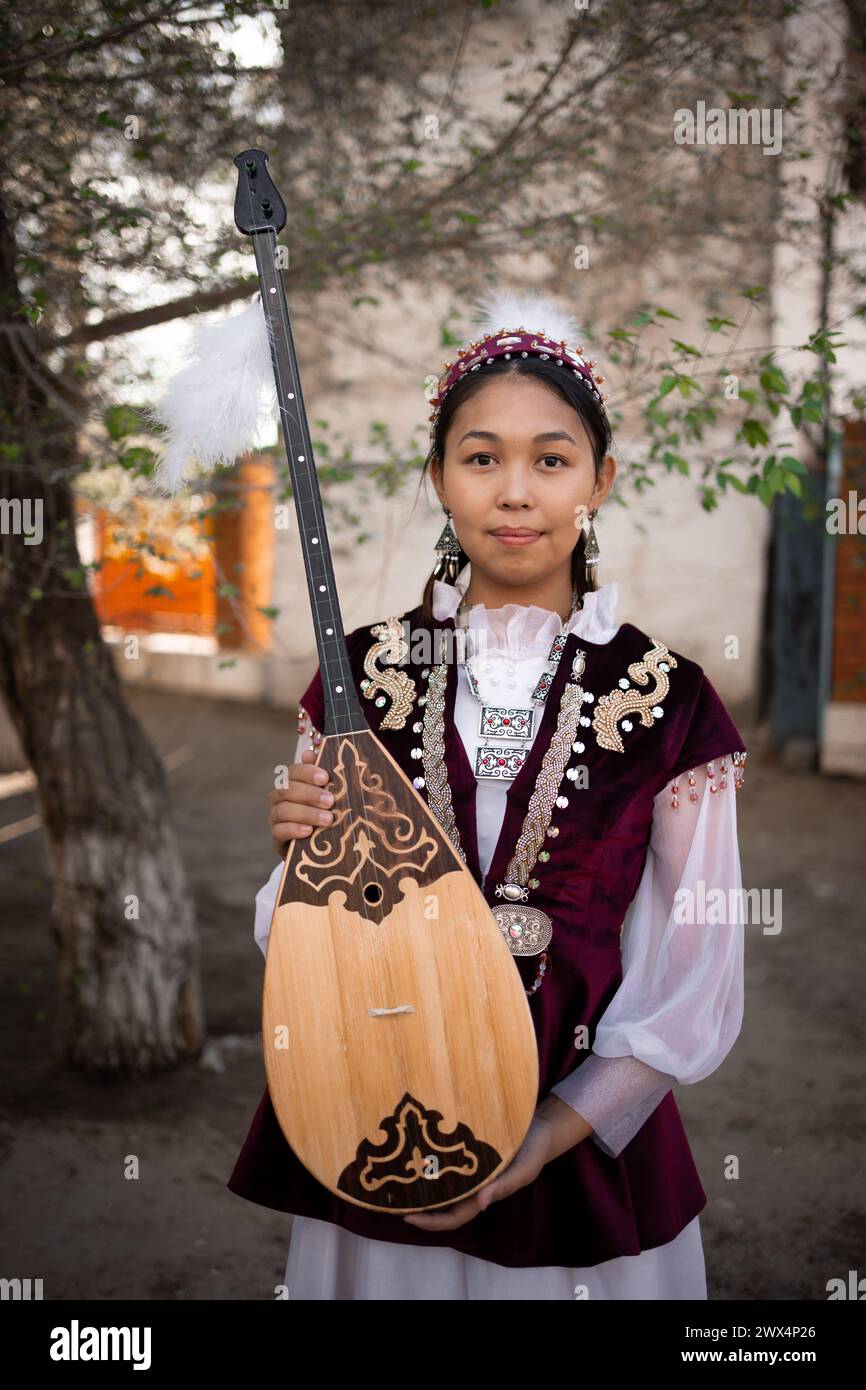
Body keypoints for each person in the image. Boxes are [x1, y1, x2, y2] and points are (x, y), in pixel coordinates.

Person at [227, 290, 748, 1300]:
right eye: (480, 457)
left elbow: (696, 964)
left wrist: (546, 1135)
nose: (515, 492)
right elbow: (307, 946)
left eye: (550, 460)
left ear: (597, 480)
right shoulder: (360, 677)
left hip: (579, 1138)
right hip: (374, 1111)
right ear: (439, 479)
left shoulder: (669, 699)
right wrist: (302, 855)